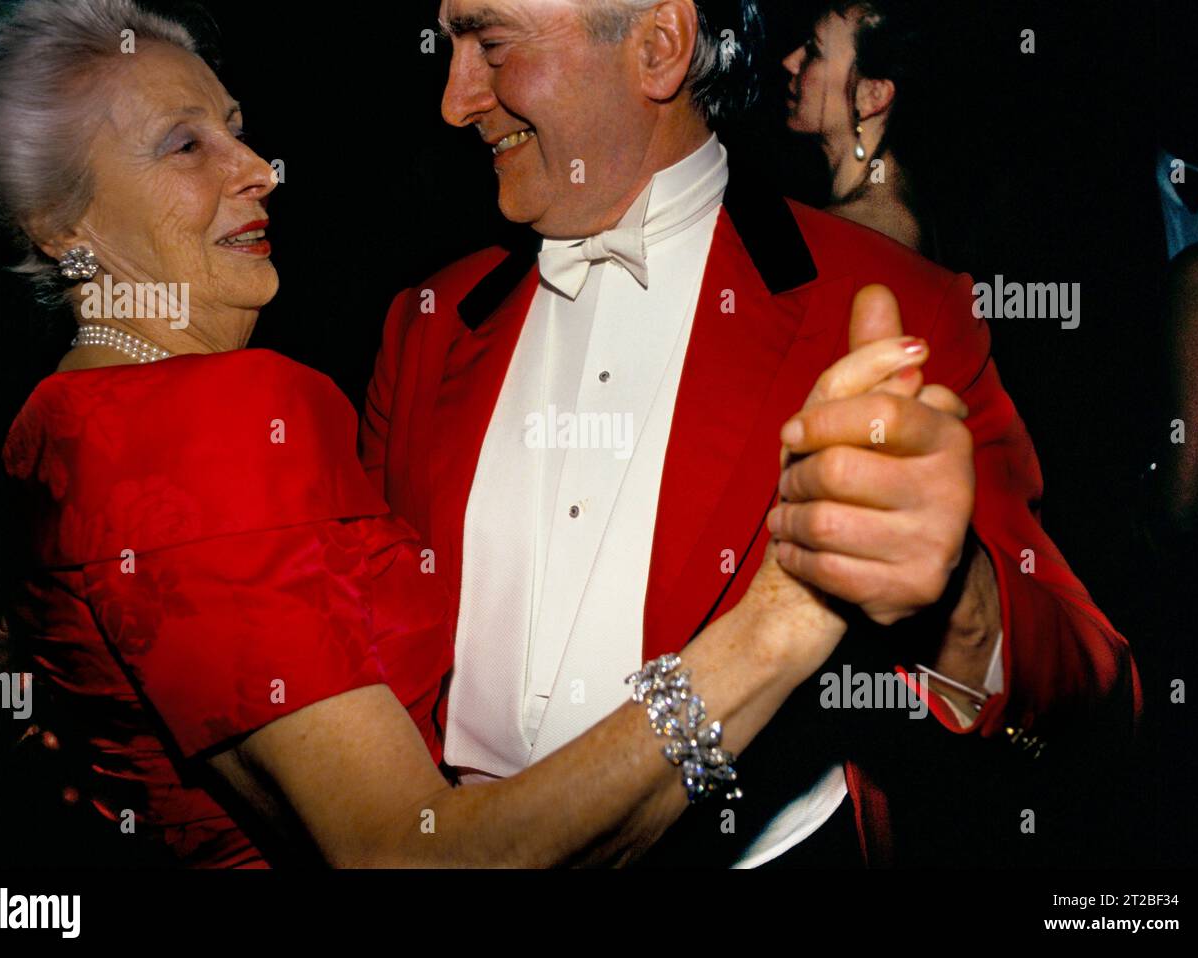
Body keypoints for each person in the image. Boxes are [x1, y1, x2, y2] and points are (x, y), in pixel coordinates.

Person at [0, 0, 876, 868]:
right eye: (185, 147)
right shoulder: (195, 423)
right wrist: (784, 618)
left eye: (238, 130)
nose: (257, 170)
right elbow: (408, 859)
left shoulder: (60, 420)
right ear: (60, 224)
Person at [364, 0, 1141, 866]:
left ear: (659, 47)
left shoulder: (887, 301)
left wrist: (960, 601)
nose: (455, 99)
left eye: (492, 43)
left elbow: (1095, 702)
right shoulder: (424, 325)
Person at [781, 0, 937, 256]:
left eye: (814, 50)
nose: (790, 62)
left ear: (872, 95)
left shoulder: (850, 235)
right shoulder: (904, 205)